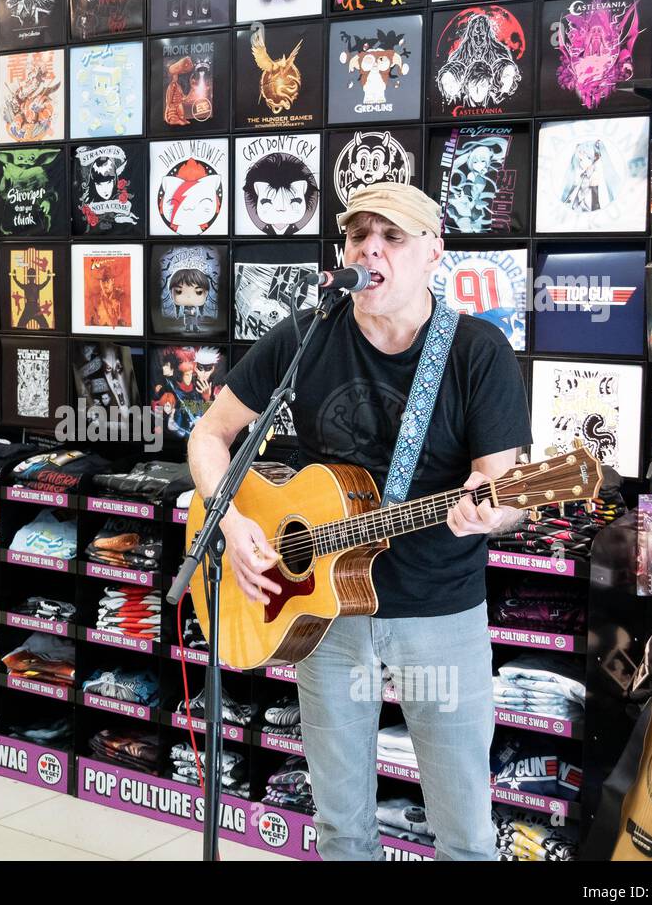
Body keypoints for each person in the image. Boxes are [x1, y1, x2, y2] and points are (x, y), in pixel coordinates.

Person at [187, 182, 532, 860]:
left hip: (438, 610)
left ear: (434, 250)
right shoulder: (307, 333)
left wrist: (480, 515)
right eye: (358, 236)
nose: (371, 249)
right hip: (326, 613)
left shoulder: (476, 352)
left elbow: (509, 492)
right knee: (342, 826)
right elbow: (209, 435)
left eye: (392, 236)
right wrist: (229, 523)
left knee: (464, 831)